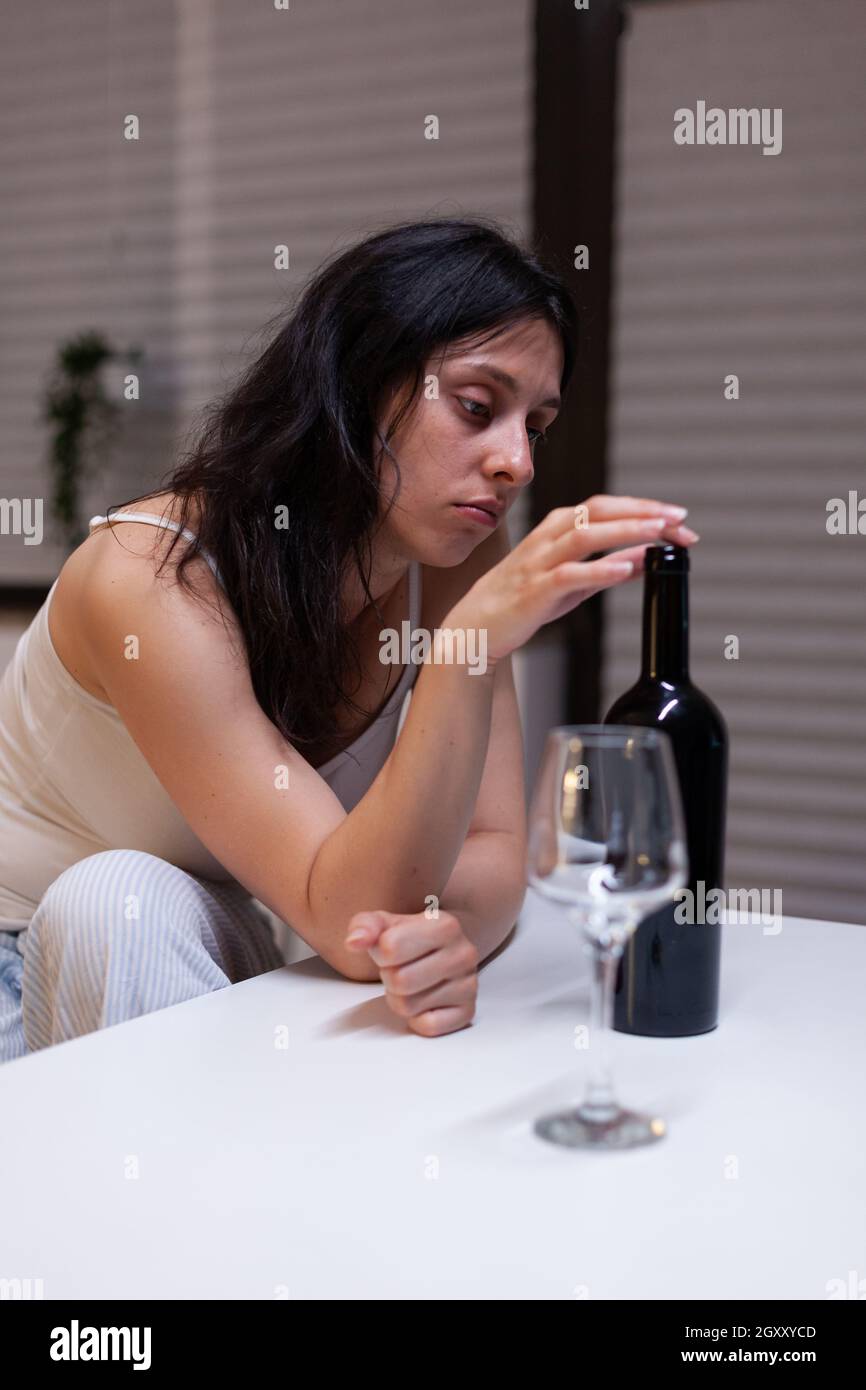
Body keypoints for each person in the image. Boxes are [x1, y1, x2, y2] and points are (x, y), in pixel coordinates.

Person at [0, 215, 698, 1062]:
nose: (518, 461)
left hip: (204, 946)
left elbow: (490, 857)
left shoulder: (442, 554)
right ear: (359, 384)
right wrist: (464, 645)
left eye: (535, 426)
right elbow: (335, 909)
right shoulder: (146, 576)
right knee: (116, 898)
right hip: (24, 962)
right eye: (478, 407)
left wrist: (438, 934)